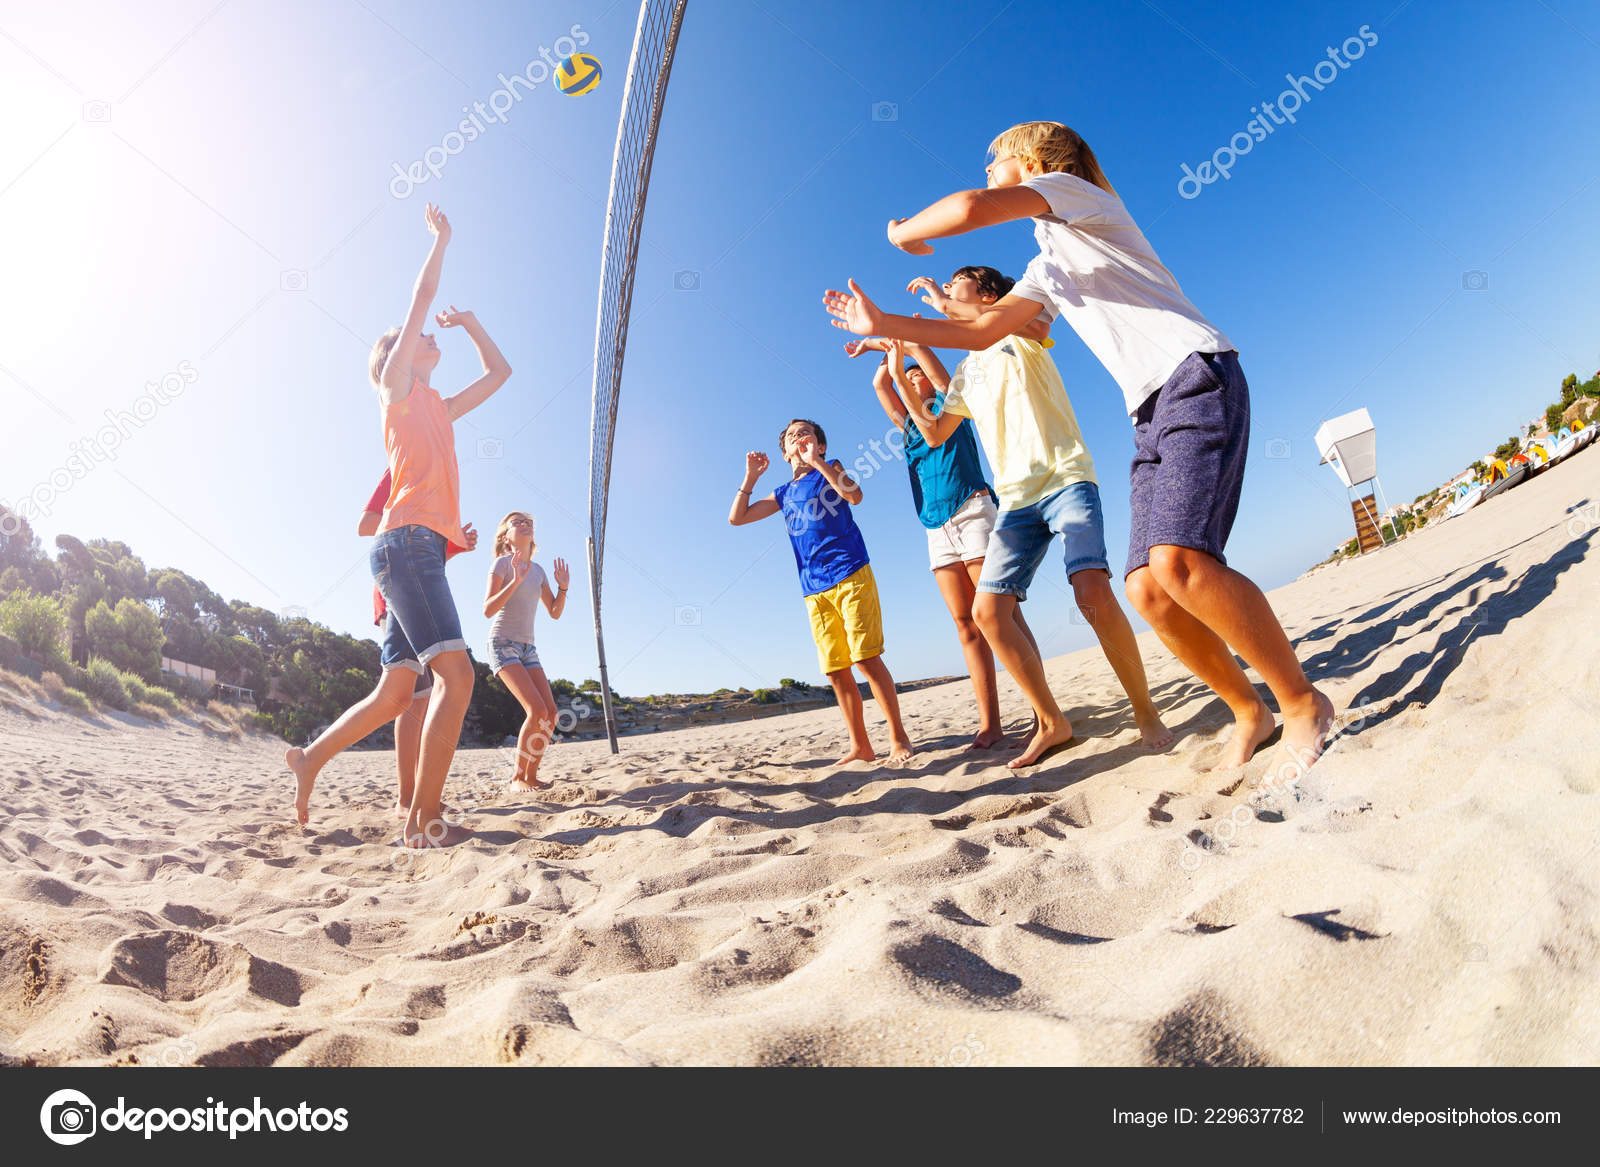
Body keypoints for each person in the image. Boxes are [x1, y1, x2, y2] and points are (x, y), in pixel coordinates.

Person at [823, 121, 1333, 776]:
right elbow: (982, 336)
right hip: (1148, 411)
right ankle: (1248, 709)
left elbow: (975, 210)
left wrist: (903, 233)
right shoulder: (1047, 264)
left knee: (1180, 563)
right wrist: (884, 327)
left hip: (1196, 374)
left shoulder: (1074, 194)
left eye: (994, 159)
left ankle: (1299, 700)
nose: (987, 172)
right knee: (1149, 589)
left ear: (1031, 161)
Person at [852, 264, 1173, 769]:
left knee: (1091, 592)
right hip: (1017, 502)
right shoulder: (967, 371)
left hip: (1066, 479)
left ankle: (1145, 710)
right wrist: (895, 372)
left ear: (986, 292)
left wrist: (937, 306)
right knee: (986, 614)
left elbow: (1003, 322)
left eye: (955, 282)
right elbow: (934, 433)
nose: (945, 287)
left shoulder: (1024, 331)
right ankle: (1052, 721)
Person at [287, 202, 513, 845]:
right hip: (403, 546)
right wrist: (443, 238)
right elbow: (421, 297)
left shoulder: (438, 404)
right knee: (459, 676)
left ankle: (308, 761)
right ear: (399, 355)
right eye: (420, 336)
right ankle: (423, 816)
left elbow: (500, 373)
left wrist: (470, 323)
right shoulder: (397, 389)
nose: (429, 336)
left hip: (420, 551)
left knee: (394, 696)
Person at [846, 333, 1021, 751]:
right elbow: (880, 386)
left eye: (917, 373)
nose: (912, 376)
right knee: (966, 624)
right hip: (935, 527)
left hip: (973, 509)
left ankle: (1040, 711)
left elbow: (940, 376)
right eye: (908, 374)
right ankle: (990, 724)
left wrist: (908, 342)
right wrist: (881, 349)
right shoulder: (908, 426)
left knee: (1000, 615)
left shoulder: (952, 406)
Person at [728, 419, 915, 766]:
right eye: (791, 436)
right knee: (836, 669)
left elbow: (854, 495)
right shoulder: (783, 494)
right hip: (813, 589)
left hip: (851, 571)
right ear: (784, 453)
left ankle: (898, 737)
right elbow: (736, 518)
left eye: (806, 432)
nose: (799, 437)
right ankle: (861, 746)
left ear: (821, 444)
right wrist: (751, 477)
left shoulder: (830, 468)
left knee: (865, 658)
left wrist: (819, 463)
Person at [482, 510, 569, 791]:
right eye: (516, 523)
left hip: (528, 648)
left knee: (551, 713)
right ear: (506, 537)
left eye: (528, 522)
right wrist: (515, 580)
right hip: (502, 643)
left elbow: (554, 612)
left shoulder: (540, 571)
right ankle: (517, 778)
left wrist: (563, 588)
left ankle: (531, 776)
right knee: (535, 710)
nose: (524, 524)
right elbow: (488, 609)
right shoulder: (502, 564)